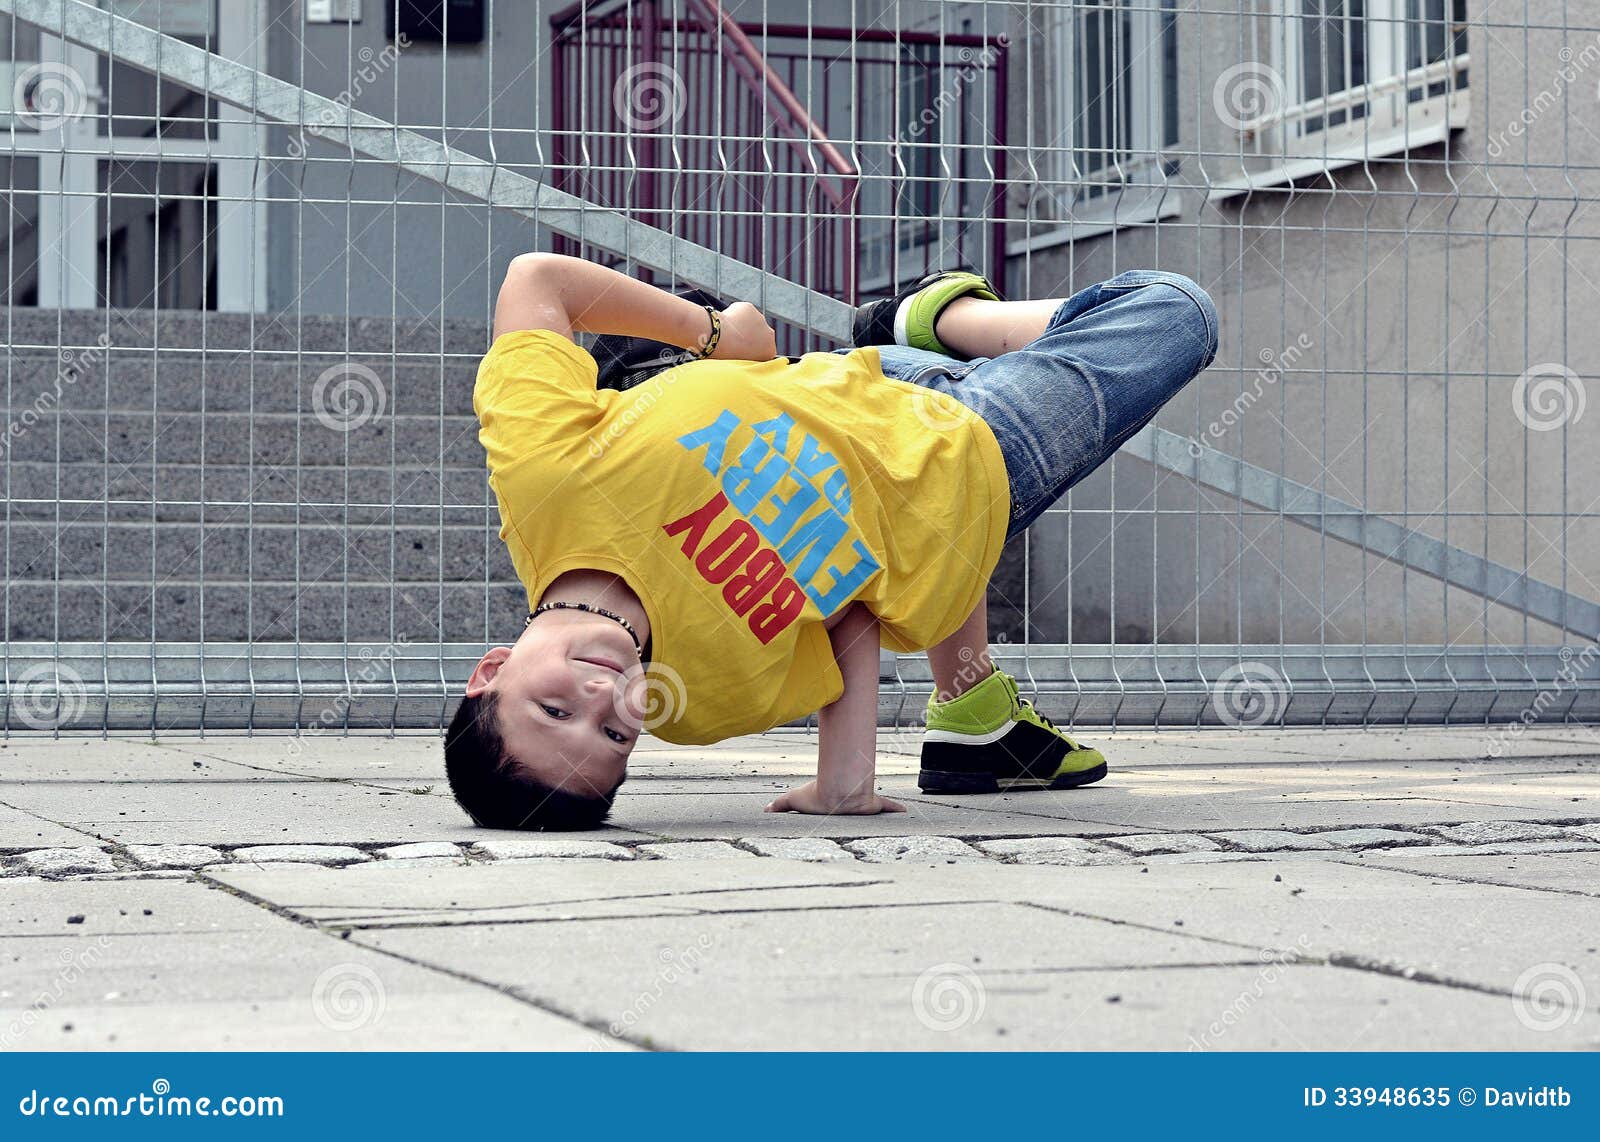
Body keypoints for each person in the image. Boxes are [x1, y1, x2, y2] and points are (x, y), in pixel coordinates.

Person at [444, 253, 1218, 829]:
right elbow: (848, 610)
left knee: (969, 364)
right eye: (616, 733)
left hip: (866, 374)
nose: (600, 700)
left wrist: (714, 332)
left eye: (551, 709)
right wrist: (842, 784)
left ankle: (932, 330)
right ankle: (953, 323)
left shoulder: (543, 474)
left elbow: (536, 281)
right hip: (970, 455)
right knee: (1176, 308)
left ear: (492, 670)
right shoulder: (699, 700)